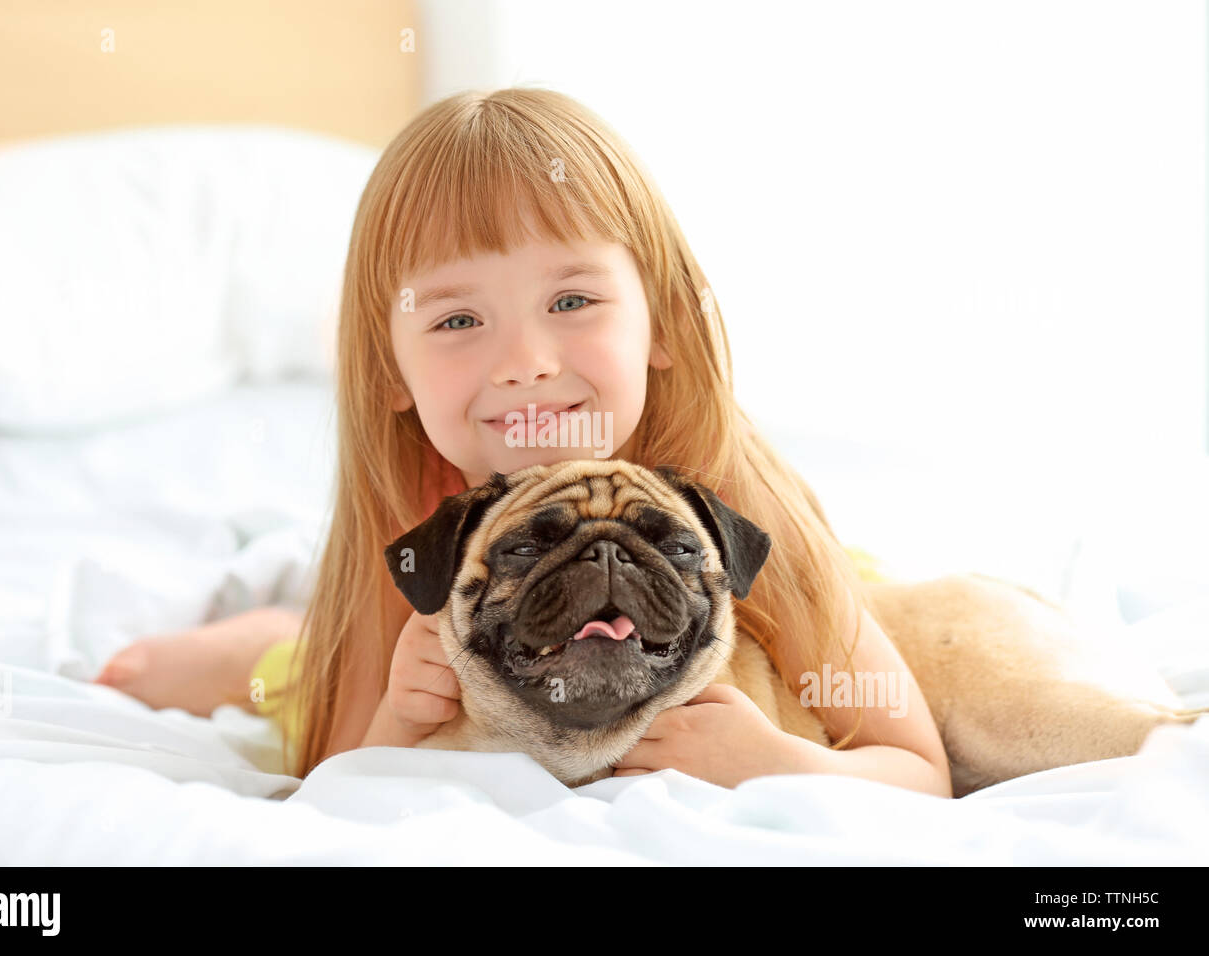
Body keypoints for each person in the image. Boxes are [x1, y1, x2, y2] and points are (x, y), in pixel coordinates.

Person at [94, 87, 949, 797]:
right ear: (390, 371)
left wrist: (776, 764)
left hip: (833, 578)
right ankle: (271, 644)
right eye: (459, 318)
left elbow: (918, 770)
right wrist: (402, 713)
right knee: (287, 677)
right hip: (353, 636)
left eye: (571, 301)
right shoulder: (419, 516)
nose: (525, 365)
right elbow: (338, 775)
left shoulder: (738, 497)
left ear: (662, 321)